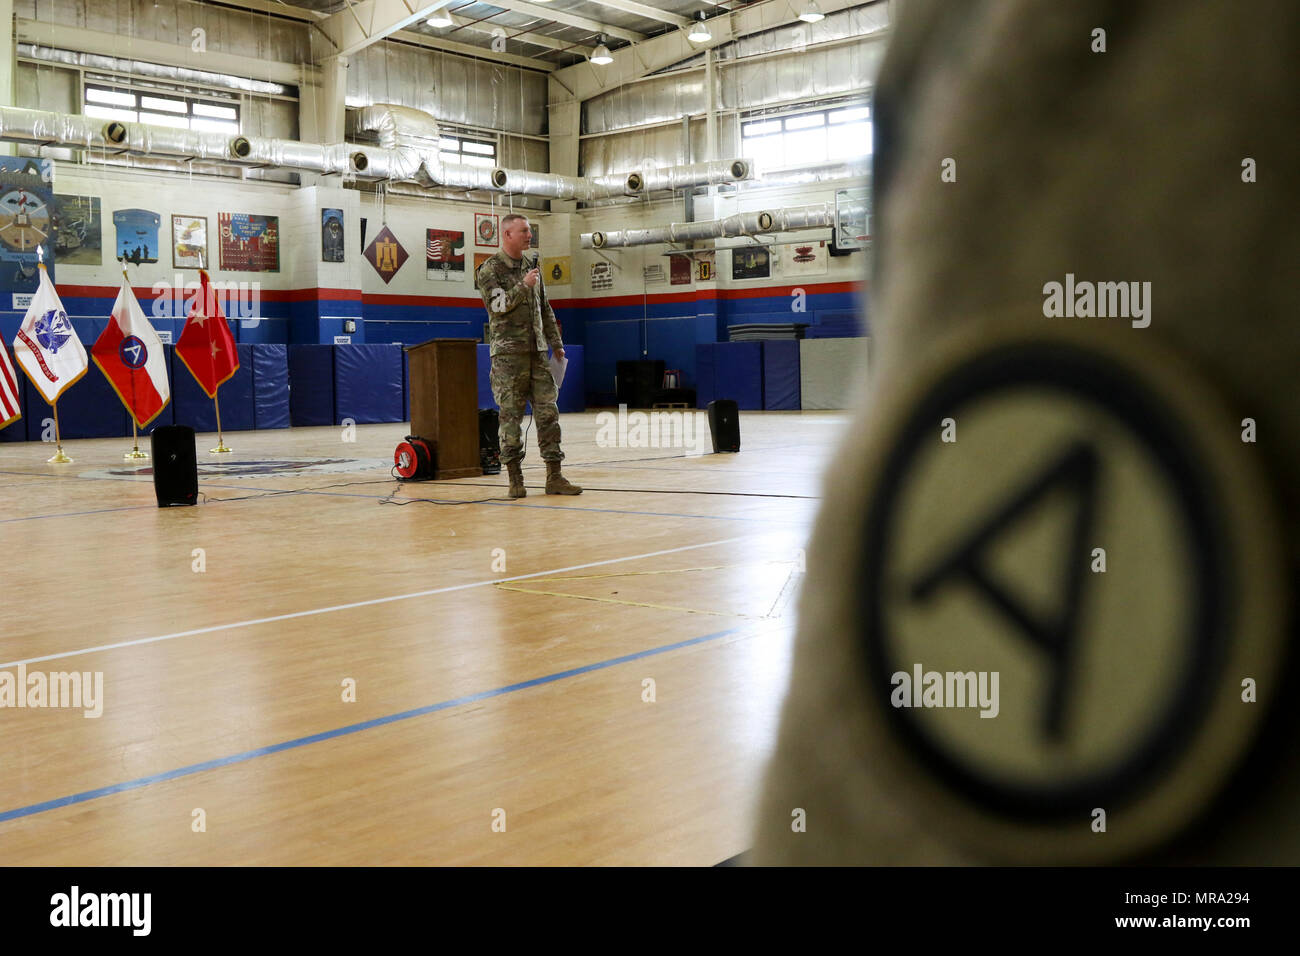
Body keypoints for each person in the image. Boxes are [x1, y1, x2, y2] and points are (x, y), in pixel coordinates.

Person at [476, 213, 581, 497]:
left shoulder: (531, 266)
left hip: (537, 353)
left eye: (529, 231)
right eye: (524, 231)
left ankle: (554, 476)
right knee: (510, 418)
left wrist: (555, 342)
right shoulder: (489, 269)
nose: (529, 236)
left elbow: (544, 307)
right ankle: (515, 480)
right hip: (508, 358)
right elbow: (498, 305)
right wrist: (524, 285)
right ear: (507, 234)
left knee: (549, 413)